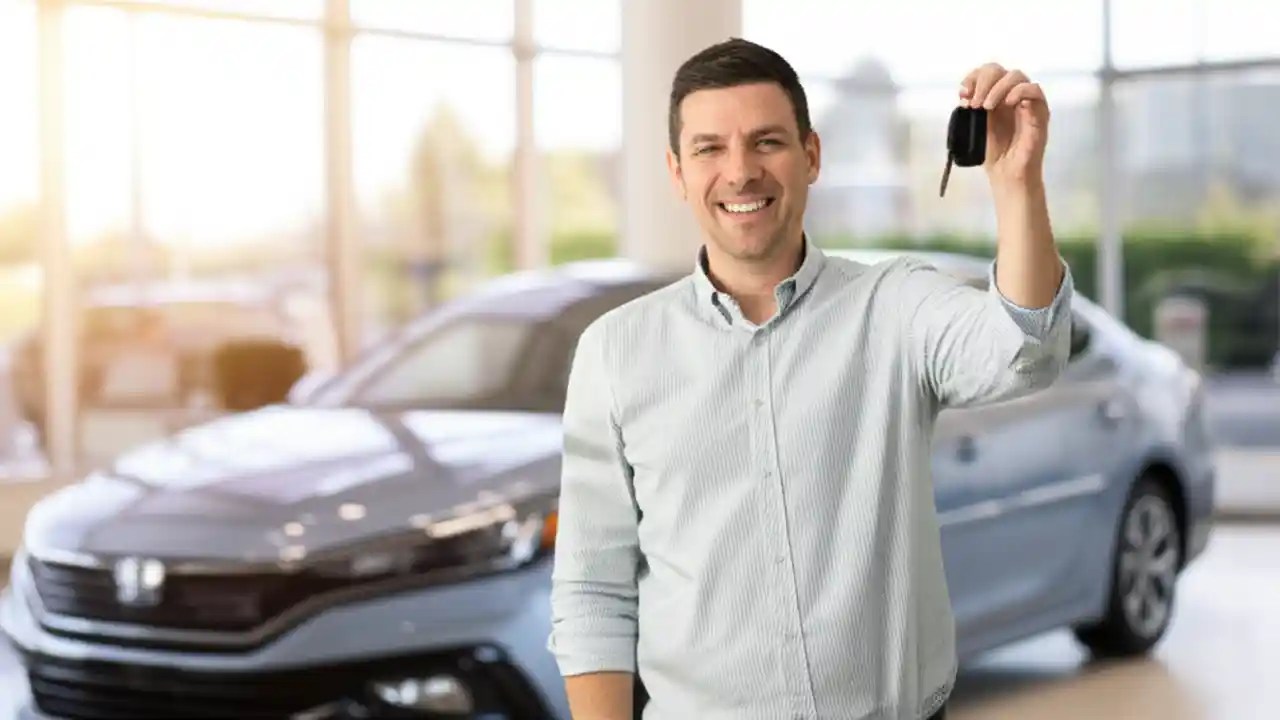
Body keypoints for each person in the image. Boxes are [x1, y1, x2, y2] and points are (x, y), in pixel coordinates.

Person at [548, 37, 1073, 720]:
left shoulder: (895, 305)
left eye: (766, 142)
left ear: (812, 156)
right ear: (678, 173)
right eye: (710, 149)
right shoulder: (615, 353)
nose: (740, 172)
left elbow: (1025, 351)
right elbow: (593, 588)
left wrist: (1017, 186)